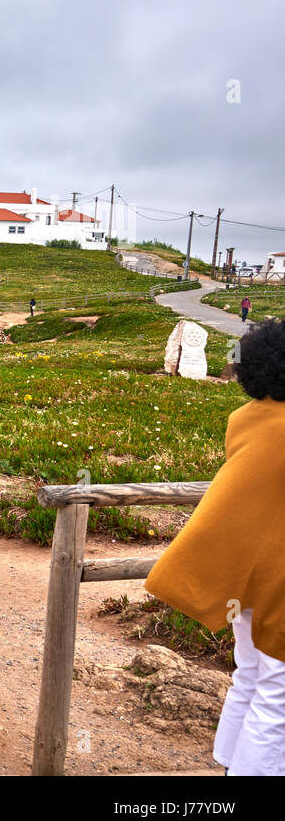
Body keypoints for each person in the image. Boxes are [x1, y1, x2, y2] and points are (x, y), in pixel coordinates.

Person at [144, 317, 285, 775]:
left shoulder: (248, 419)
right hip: (276, 578)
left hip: (240, 574)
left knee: (250, 675)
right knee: (278, 693)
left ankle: (229, 764)